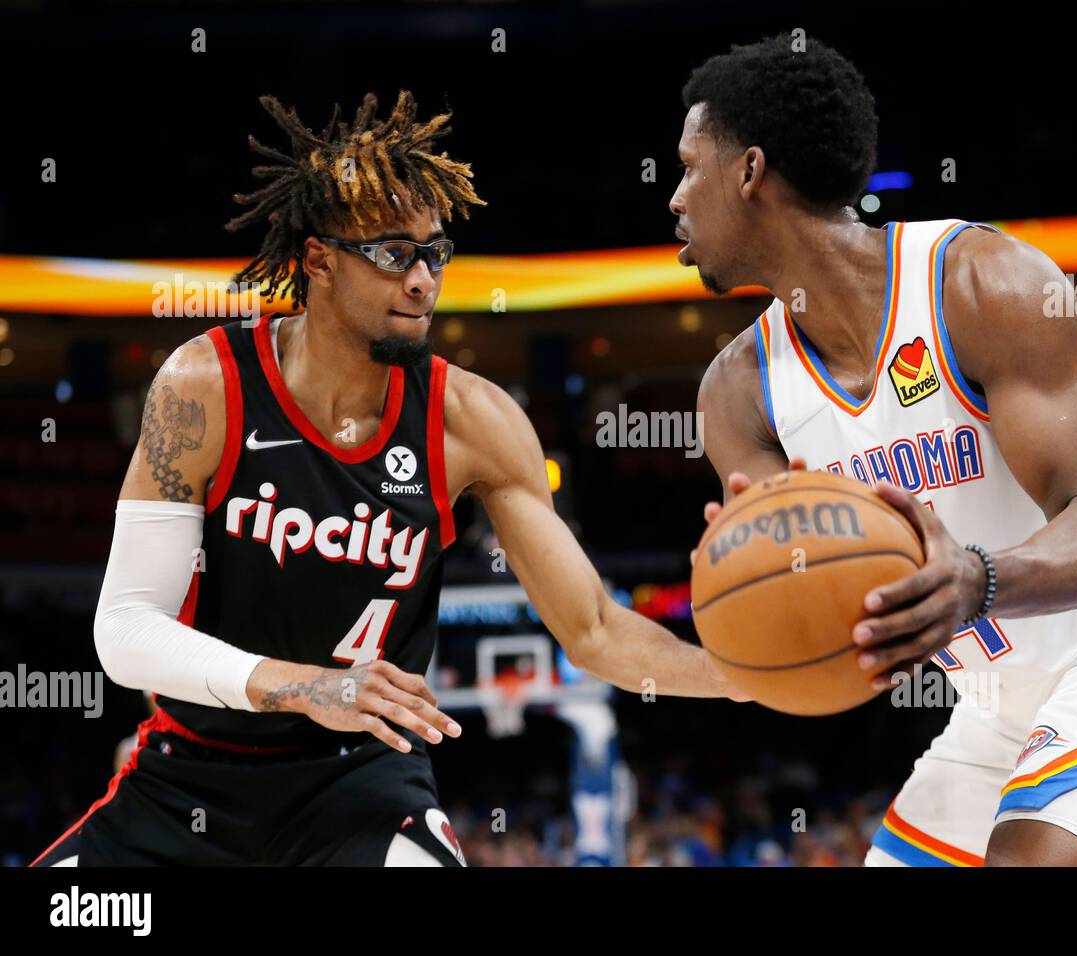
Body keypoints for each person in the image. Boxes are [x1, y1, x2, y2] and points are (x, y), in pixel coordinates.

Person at [33, 90, 740, 867]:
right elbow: (126, 628)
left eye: (433, 253)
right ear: (318, 261)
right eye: (393, 253)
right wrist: (311, 687)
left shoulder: (473, 420)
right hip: (185, 779)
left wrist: (740, 677)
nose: (422, 280)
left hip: (361, 784)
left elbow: (596, 632)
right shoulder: (205, 385)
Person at [676, 36, 1077, 866]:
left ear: (749, 172)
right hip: (996, 703)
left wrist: (976, 579)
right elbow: (827, 610)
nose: (673, 198)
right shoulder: (735, 396)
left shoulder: (983, 283)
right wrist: (755, 583)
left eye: (689, 167)